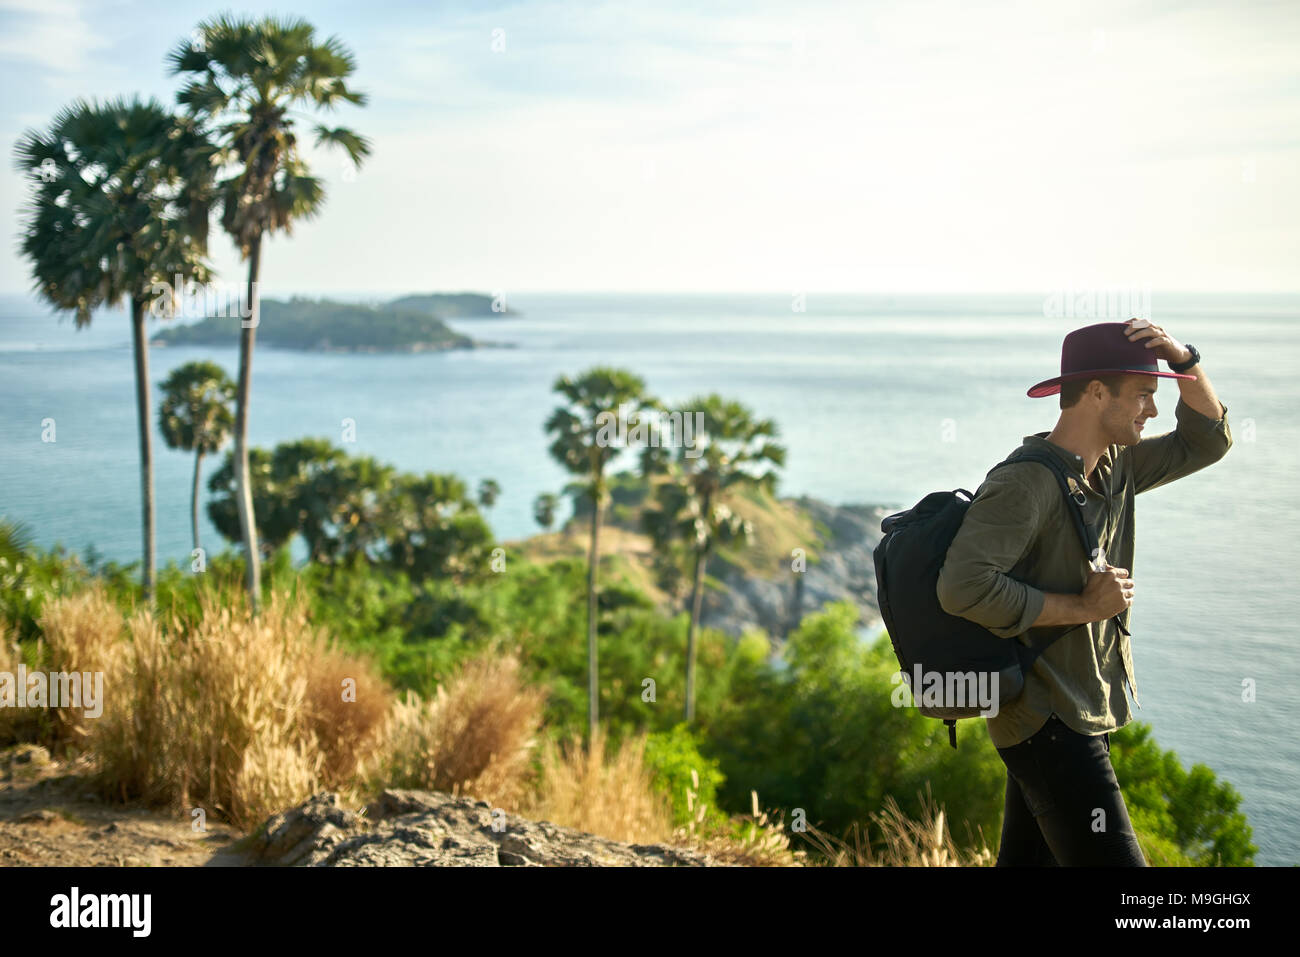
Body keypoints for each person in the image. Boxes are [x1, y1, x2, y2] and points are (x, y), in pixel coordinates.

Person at [936, 317, 1231, 866]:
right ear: (1096, 392)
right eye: (1144, 394)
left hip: (1082, 709)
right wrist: (1083, 607)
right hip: (1047, 720)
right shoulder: (1023, 483)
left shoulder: (1116, 464)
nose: (1154, 409)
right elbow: (962, 588)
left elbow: (1206, 441)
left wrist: (1183, 361)